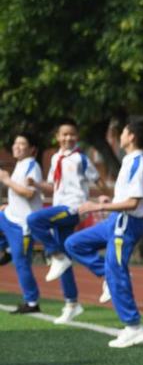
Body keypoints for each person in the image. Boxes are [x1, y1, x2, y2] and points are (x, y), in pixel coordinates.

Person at [64, 120, 143, 347]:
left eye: (122, 131)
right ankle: (106, 276)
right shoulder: (129, 161)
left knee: (117, 269)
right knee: (73, 243)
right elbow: (126, 197)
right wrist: (110, 200)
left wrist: (98, 206)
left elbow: (133, 203)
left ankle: (134, 326)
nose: (119, 135)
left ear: (131, 137)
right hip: (116, 221)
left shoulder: (139, 164)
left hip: (126, 224)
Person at [27, 118, 101, 322]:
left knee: (34, 220)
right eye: (64, 134)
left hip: (73, 208)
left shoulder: (81, 159)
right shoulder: (55, 159)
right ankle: (72, 303)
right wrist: (36, 184)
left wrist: (103, 198)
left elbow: (97, 180)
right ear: (57, 137)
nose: (68, 137)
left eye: (72, 134)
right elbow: (54, 186)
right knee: (66, 257)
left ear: (77, 137)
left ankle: (56, 255)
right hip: (60, 207)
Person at [0, 132, 44, 313]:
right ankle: (5, 249)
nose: (16, 146)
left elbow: (29, 193)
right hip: (9, 216)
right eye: (15, 143)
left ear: (32, 149)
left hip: (22, 226)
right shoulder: (20, 165)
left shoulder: (32, 166)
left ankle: (32, 302)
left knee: (21, 264)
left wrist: (6, 180)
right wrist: (7, 206)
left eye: (22, 144)